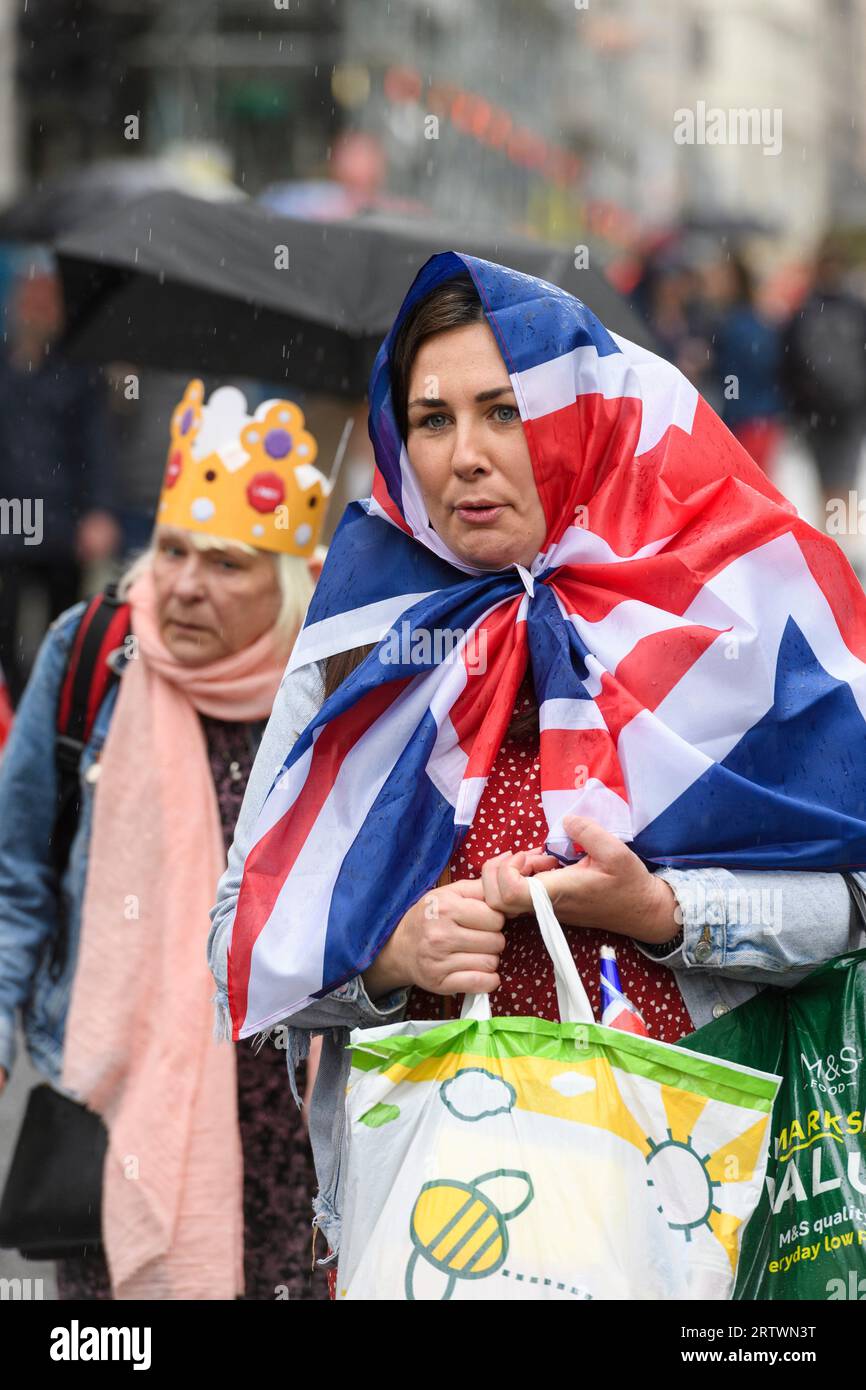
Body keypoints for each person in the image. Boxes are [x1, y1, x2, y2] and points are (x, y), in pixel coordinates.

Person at [209, 257, 866, 1300]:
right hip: (430, 1210)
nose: (463, 457)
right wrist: (388, 957)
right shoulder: (362, 639)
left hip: (681, 1212)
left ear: (582, 416)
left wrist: (661, 910)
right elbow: (237, 941)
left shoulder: (716, 610)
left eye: (503, 412)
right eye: (431, 420)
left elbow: (846, 909)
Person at [0, 379, 331, 1300]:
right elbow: (15, 870)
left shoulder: (333, 696)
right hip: (119, 1112)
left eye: (226, 564)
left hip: (289, 1126)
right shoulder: (91, 655)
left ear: (287, 587)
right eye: (174, 551)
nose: (183, 585)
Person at [782, 237, 866, 517]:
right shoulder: (851, 308)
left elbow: (788, 359)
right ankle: (839, 543)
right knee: (837, 481)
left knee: (836, 481)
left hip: (831, 409)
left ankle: (838, 544)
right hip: (834, 408)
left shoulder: (807, 309)